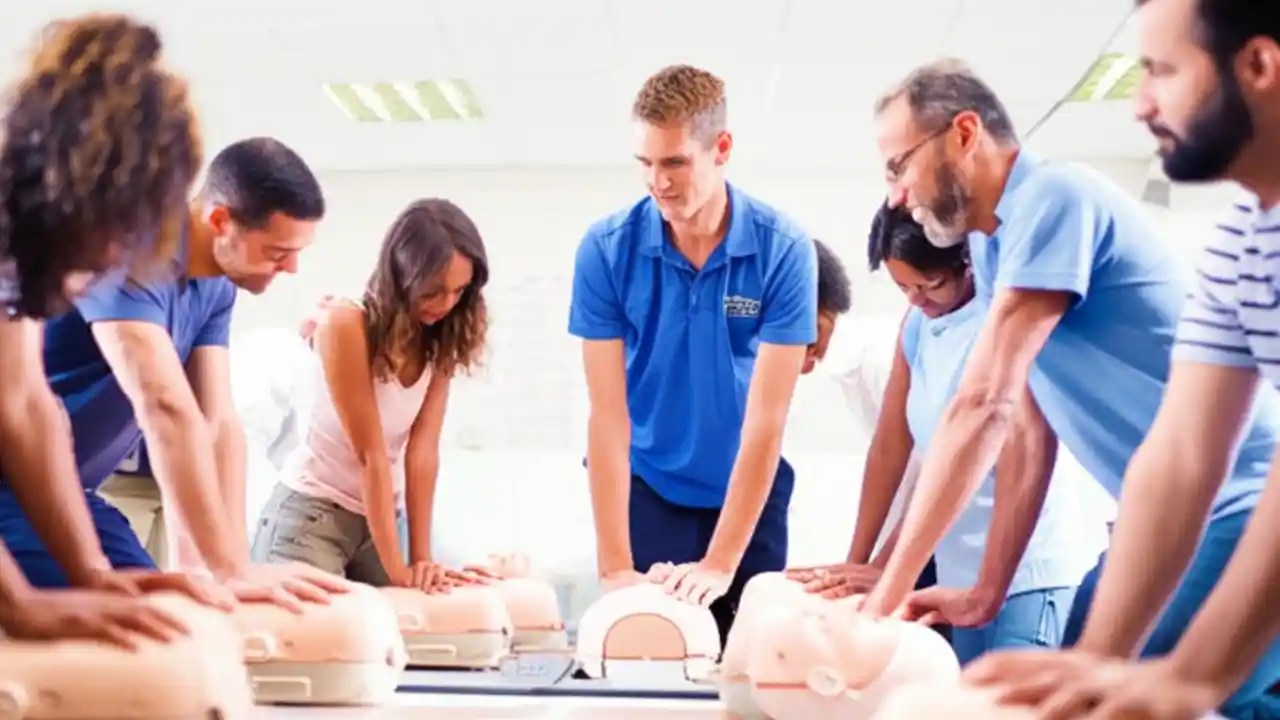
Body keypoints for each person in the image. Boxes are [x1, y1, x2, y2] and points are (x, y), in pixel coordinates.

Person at [857, 58, 1280, 718]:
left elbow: (981, 403)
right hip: (1170, 518)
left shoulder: (1054, 198)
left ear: (964, 134)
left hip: (1239, 502)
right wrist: (984, 593)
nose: (896, 194)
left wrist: (884, 598)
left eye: (898, 165)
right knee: (1070, 672)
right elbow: (1026, 430)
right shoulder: (997, 253)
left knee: (1123, 697)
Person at [0, 135, 352, 612]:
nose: (291, 267)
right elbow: (163, 407)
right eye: (276, 251)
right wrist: (230, 570)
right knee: (131, 623)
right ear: (220, 220)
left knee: (171, 609)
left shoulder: (217, 290)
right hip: (12, 486)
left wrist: (221, 568)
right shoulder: (132, 256)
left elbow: (218, 424)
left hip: (66, 492)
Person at [568, 64, 818, 641]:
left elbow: (767, 421)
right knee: (653, 648)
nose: (658, 182)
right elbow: (608, 418)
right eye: (646, 164)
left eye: (674, 162)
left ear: (721, 148)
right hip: (650, 485)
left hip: (747, 484)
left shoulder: (783, 250)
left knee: (750, 655)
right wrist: (614, 569)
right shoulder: (606, 249)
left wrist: (721, 563)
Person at [0, 13, 227, 648]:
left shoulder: (19, 239)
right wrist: (17, 604)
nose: (118, 259)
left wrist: (91, 576)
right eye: (120, 229)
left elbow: (24, 405)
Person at [846, 203, 1107, 664]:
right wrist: (859, 562)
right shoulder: (917, 326)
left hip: (1030, 576)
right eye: (903, 287)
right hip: (959, 580)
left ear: (967, 263)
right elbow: (891, 447)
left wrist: (891, 572)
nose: (917, 299)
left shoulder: (1002, 323)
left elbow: (976, 464)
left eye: (931, 285)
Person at [251, 199, 492, 592]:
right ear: (402, 276)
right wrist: (398, 573)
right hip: (312, 517)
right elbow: (371, 454)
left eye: (458, 292)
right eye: (432, 291)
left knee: (408, 629)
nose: (446, 305)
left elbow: (422, 453)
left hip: (379, 521)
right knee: (335, 643)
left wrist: (421, 560)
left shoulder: (440, 342)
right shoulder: (346, 324)